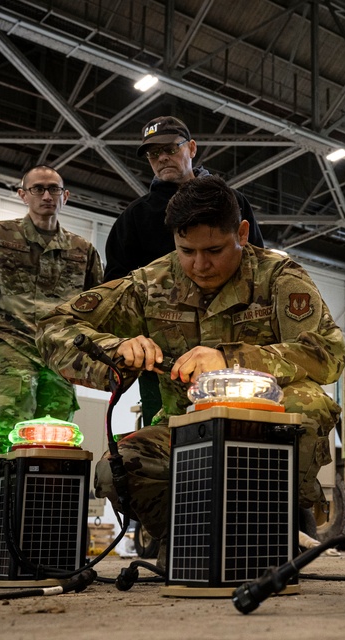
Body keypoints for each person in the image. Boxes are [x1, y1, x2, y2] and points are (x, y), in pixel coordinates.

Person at [38, 175, 344, 567]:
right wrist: (118, 348)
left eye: (215, 250)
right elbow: (53, 328)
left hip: (266, 429)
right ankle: (185, 539)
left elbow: (328, 353)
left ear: (243, 233)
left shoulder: (279, 277)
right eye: (187, 251)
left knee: (310, 403)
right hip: (186, 431)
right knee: (116, 471)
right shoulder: (152, 283)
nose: (200, 265)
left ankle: (265, 530)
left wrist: (231, 359)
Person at [0, 165, 103, 575]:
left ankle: (49, 537)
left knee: (58, 448)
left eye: (54, 189)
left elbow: (96, 311)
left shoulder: (82, 249)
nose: (46, 196)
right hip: (12, 350)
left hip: (59, 360)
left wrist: (83, 357)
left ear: (66, 196)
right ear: (23, 194)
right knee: (0, 436)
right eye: (38, 189)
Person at [104, 115, 264, 429]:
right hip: (165, 360)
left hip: (233, 349)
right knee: (164, 445)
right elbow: (117, 290)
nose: (162, 157)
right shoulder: (133, 219)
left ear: (191, 148)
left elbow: (258, 268)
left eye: (170, 148)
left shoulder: (233, 204)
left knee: (244, 432)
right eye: (153, 153)